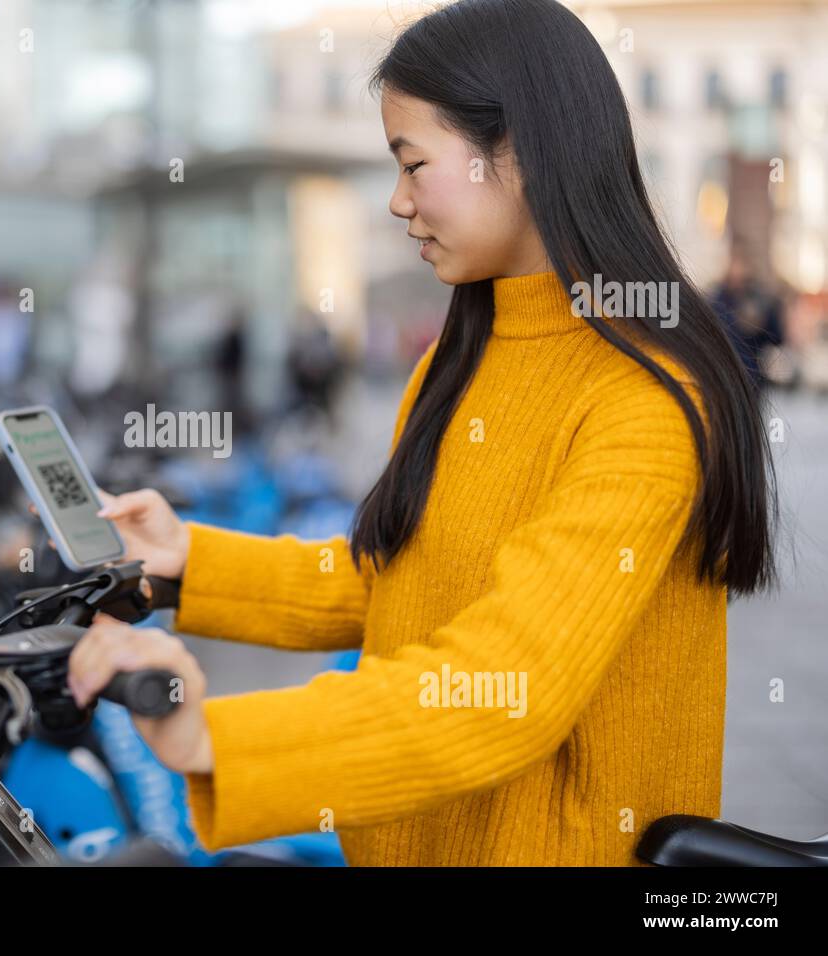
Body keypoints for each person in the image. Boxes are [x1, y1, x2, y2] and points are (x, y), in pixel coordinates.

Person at [67, 0, 776, 867]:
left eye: (415, 163)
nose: (399, 201)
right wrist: (191, 559)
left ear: (517, 153)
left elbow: (506, 688)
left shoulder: (642, 401)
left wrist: (211, 738)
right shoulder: (462, 358)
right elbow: (400, 582)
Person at [709, 249, 786, 393]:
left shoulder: (760, 299)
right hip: (722, 379)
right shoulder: (716, 299)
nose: (737, 270)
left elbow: (777, 338)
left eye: (742, 265)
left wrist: (763, 321)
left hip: (751, 380)